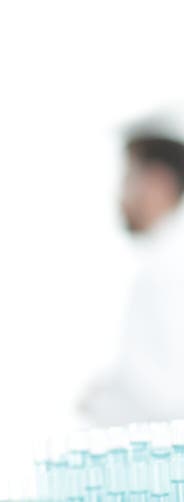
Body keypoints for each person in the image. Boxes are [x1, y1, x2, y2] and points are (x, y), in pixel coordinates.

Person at [82, 113, 184, 425]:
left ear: (157, 182)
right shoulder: (164, 261)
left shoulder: (166, 270)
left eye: (128, 178)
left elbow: (168, 395)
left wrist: (100, 402)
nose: (120, 194)